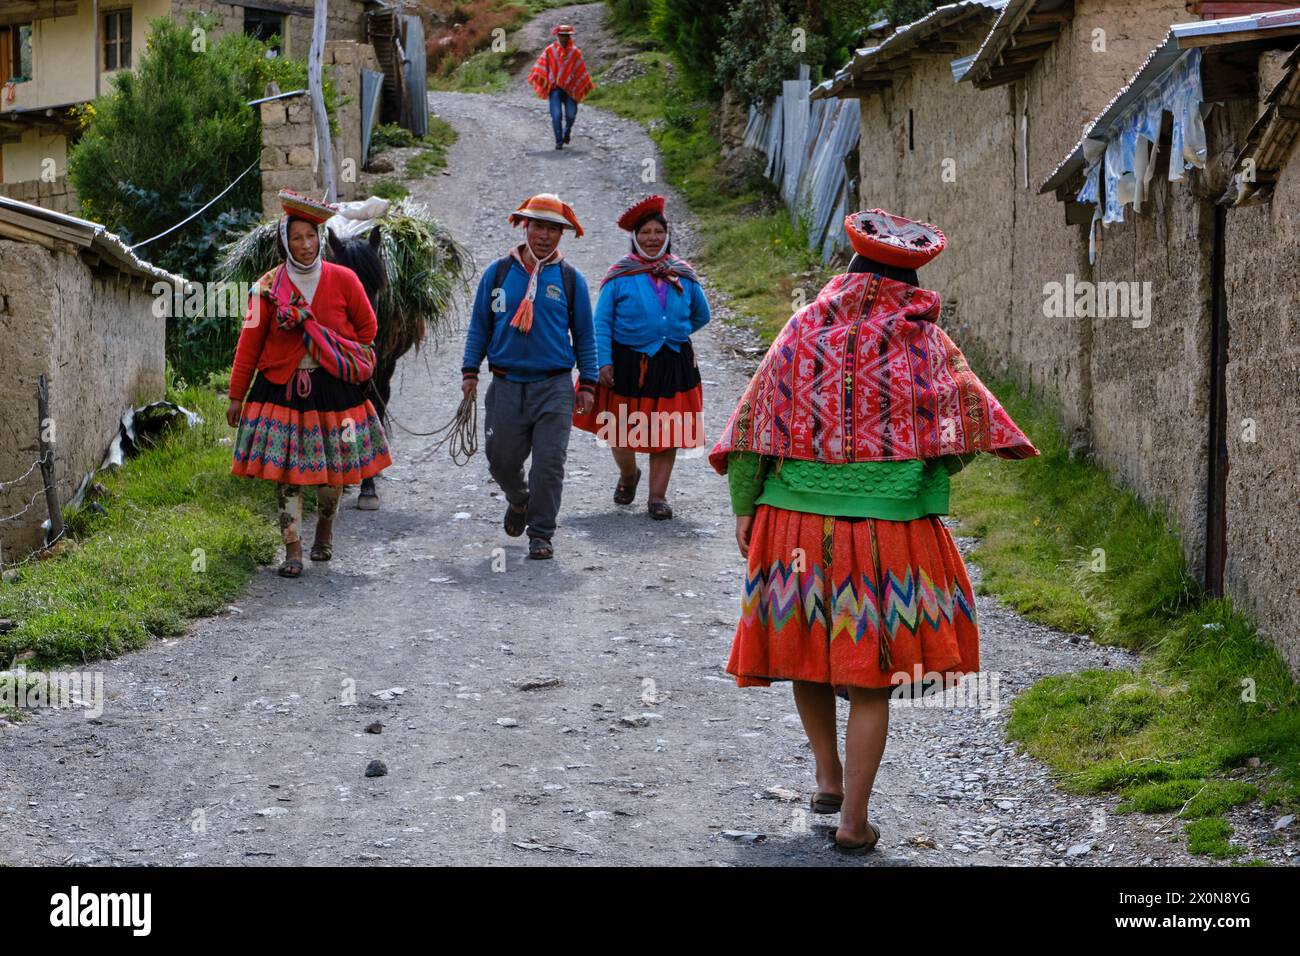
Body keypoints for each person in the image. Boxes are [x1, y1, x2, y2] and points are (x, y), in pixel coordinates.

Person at [708, 209, 1040, 853]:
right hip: (890, 532)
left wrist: (744, 506)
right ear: (911, 283)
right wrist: (927, 470)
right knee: (870, 676)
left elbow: (753, 424)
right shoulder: (926, 344)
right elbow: (973, 419)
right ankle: (854, 821)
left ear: (850, 272)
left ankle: (827, 778)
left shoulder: (803, 329)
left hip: (794, 523)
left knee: (806, 649)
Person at [228, 189, 392, 578]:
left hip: (334, 390)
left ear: (321, 239)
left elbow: (368, 330)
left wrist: (339, 351)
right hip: (281, 390)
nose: (305, 245)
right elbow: (248, 345)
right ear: (286, 242)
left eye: (311, 236)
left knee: (332, 473)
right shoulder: (266, 289)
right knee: (286, 476)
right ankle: (292, 549)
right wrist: (237, 396)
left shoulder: (345, 280)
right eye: (297, 238)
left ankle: (324, 531)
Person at [461, 193, 599, 559]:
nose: (545, 235)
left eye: (554, 229)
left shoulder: (570, 280)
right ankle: (519, 499)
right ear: (525, 227)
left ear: (561, 235)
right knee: (500, 459)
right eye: (539, 226)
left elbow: (585, 335)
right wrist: (470, 370)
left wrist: (588, 382)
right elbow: (480, 324)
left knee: (549, 463)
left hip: (554, 386)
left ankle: (541, 533)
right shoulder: (498, 273)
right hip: (506, 383)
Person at [572, 195, 710, 519]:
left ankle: (657, 498)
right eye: (645, 232)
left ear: (667, 235)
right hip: (627, 363)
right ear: (635, 237)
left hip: (673, 361)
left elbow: (701, 315)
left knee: (669, 428)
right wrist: (602, 361)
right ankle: (628, 474)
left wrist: (673, 330)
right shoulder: (620, 275)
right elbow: (601, 323)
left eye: (658, 232)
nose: (652, 238)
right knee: (620, 430)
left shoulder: (682, 274)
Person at [527, 24, 594, 150]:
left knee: (571, 115)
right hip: (555, 88)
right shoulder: (550, 50)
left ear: (569, 36)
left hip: (571, 89)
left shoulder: (575, 52)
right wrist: (537, 75)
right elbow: (540, 65)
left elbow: (580, 70)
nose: (564, 37)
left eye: (566, 35)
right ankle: (559, 141)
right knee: (556, 115)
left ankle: (567, 131)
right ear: (557, 35)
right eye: (562, 35)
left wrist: (578, 83)